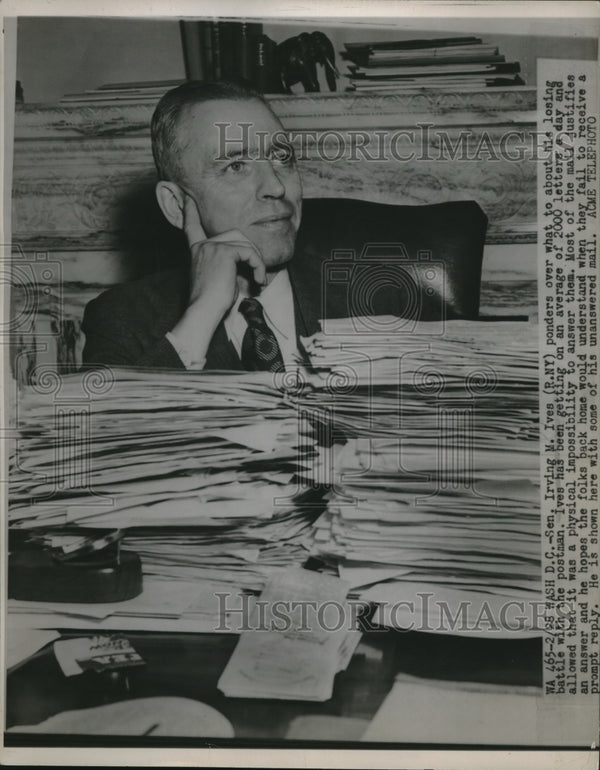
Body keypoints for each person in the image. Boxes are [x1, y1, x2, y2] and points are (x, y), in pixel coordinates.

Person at [82, 80, 312, 372]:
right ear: (176, 206)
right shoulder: (123, 318)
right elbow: (111, 418)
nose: (276, 187)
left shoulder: (375, 290)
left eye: (282, 159)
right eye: (236, 166)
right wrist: (202, 313)